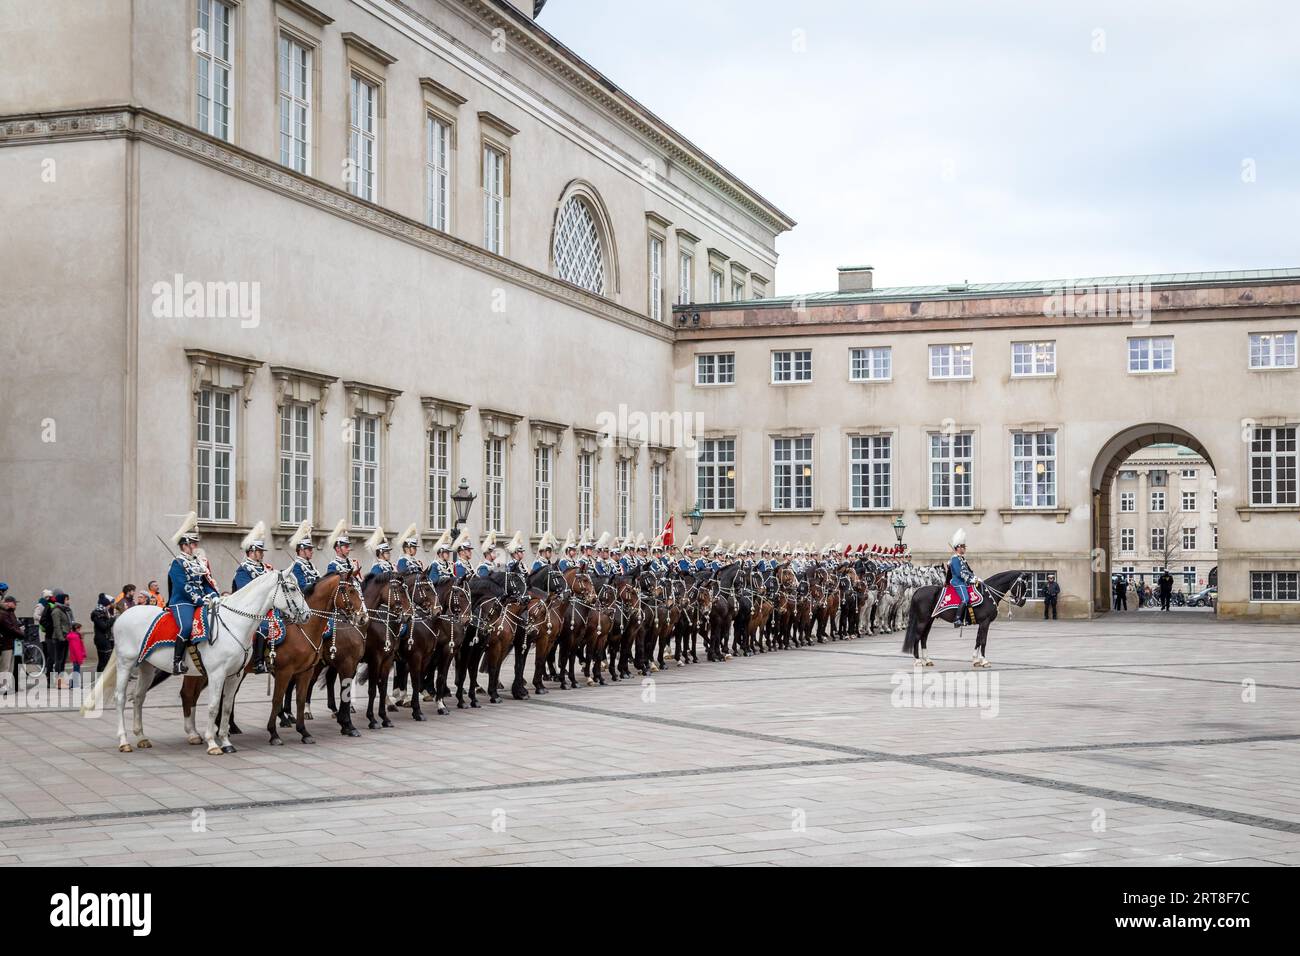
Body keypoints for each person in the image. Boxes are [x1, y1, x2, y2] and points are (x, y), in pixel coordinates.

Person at [165, 512, 219, 675]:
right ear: (185, 545)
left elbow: (206, 582)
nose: (196, 546)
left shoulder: (199, 563)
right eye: (193, 543)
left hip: (201, 600)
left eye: (196, 543)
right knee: (187, 626)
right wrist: (201, 600)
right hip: (182, 602)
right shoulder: (177, 563)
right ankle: (177, 662)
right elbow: (183, 587)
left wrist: (214, 596)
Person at [231, 522, 272, 674]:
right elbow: (245, 592)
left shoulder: (266, 568)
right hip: (249, 610)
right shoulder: (243, 570)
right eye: (260, 551)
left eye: (262, 551)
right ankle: (258, 662)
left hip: (267, 607)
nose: (262, 554)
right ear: (252, 552)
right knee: (263, 628)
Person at [947, 529, 976, 628]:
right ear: (957, 548)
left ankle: (966, 618)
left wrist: (975, 578)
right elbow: (959, 573)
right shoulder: (954, 559)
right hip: (958, 582)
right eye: (962, 546)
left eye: (964, 546)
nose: (964, 548)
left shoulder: (962, 559)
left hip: (964, 582)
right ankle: (957, 619)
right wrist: (969, 579)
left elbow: (968, 571)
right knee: (965, 598)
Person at [0, 594, 22, 695]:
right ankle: (3, 687)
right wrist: (22, 634)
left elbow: (15, 626)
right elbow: (10, 628)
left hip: (12, 642)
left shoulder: (11, 613)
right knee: (5, 666)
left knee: (11, 667)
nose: (16, 605)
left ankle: (7, 686)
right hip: (6, 643)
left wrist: (19, 631)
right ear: (8, 603)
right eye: (14, 603)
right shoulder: (3, 613)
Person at [91, 593, 116, 673]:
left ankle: (103, 679)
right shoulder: (97, 614)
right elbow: (104, 626)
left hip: (106, 639)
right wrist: (112, 619)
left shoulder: (103, 612)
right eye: (108, 605)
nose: (109, 606)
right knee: (103, 661)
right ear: (105, 605)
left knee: (106, 661)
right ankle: (99, 679)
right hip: (102, 640)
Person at [66, 621, 86, 688]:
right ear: (76, 629)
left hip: (75, 657)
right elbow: (76, 649)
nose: (80, 630)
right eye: (79, 629)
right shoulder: (75, 637)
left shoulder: (74, 636)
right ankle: (74, 684)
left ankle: (73, 683)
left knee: (76, 670)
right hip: (76, 657)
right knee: (76, 671)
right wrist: (80, 658)